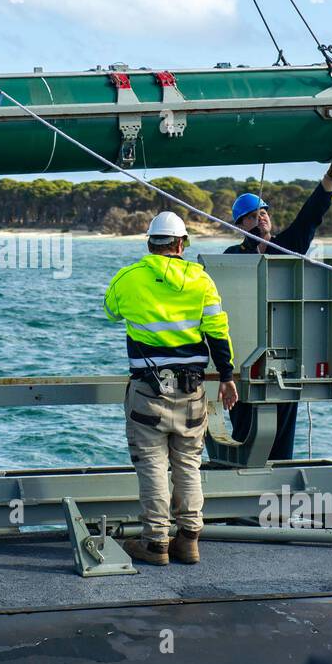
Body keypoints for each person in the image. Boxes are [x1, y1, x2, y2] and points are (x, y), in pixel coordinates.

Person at [104, 211, 239, 566]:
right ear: (181, 244)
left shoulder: (129, 277)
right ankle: (189, 540)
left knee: (152, 465)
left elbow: (110, 312)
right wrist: (227, 375)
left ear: (150, 243)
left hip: (148, 392)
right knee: (189, 463)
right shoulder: (201, 279)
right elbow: (217, 331)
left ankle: (155, 544)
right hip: (193, 390)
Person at [224, 161, 332, 460]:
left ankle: (277, 499)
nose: (261, 218)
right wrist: (259, 248)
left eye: (263, 212)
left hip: (283, 362)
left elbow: (310, 217)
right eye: (252, 216)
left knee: (282, 446)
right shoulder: (230, 256)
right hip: (245, 361)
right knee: (245, 436)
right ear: (241, 226)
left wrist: (330, 178)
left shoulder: (287, 245)